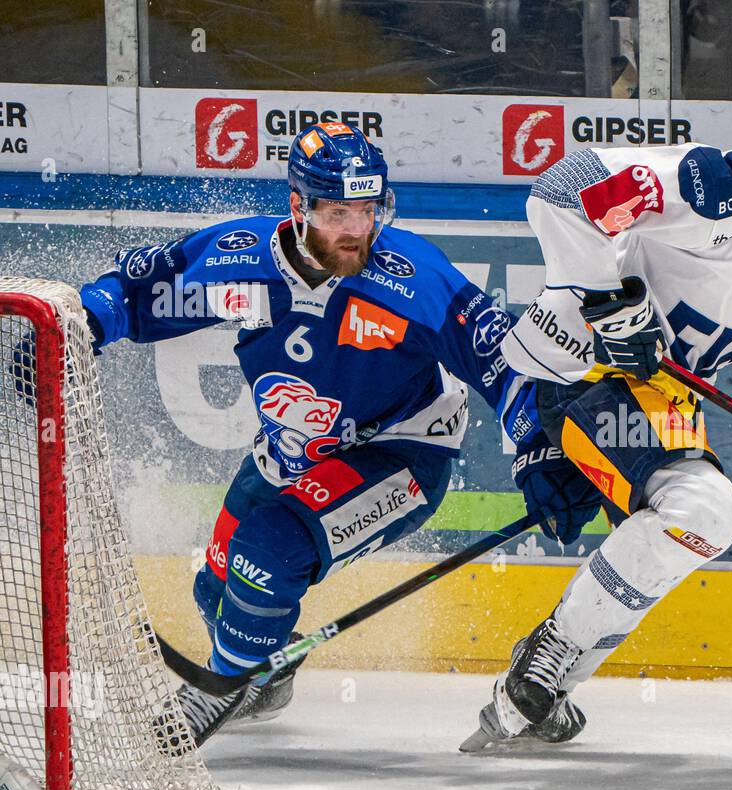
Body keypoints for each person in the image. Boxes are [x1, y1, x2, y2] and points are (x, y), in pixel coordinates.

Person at [472, 67, 732, 748]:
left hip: (659, 396)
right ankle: (547, 663)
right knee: (703, 511)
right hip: (583, 367)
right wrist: (610, 300)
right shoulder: (708, 184)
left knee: (696, 522)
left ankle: (546, 680)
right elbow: (566, 188)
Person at [81, 122, 524, 746]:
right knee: (218, 589)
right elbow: (133, 292)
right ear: (298, 206)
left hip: (398, 451)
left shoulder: (411, 279)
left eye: (368, 209)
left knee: (267, 552)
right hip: (289, 451)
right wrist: (75, 335)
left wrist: (543, 446)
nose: (355, 228)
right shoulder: (244, 262)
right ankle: (265, 667)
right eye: (338, 211)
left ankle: (223, 686)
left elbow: (502, 357)